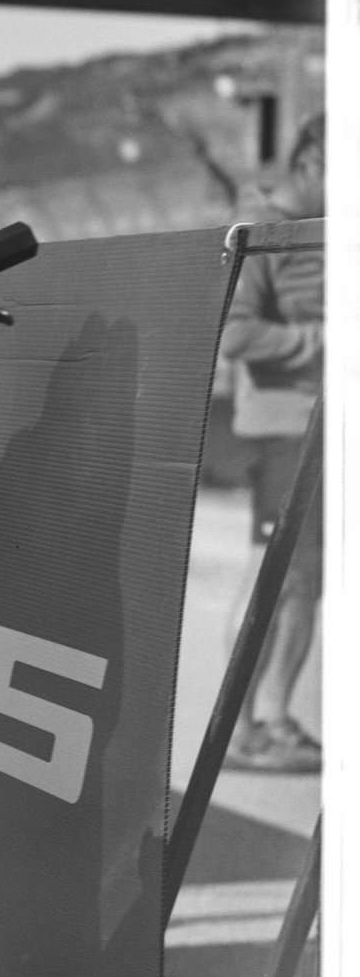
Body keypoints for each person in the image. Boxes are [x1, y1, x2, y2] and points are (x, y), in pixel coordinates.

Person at [220, 110, 324, 772]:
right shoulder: (263, 231)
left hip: (324, 429)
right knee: (273, 582)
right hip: (284, 432)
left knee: (306, 583)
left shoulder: (331, 232)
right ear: (311, 163)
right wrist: (324, 342)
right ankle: (235, 733)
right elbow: (234, 333)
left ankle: (277, 720)